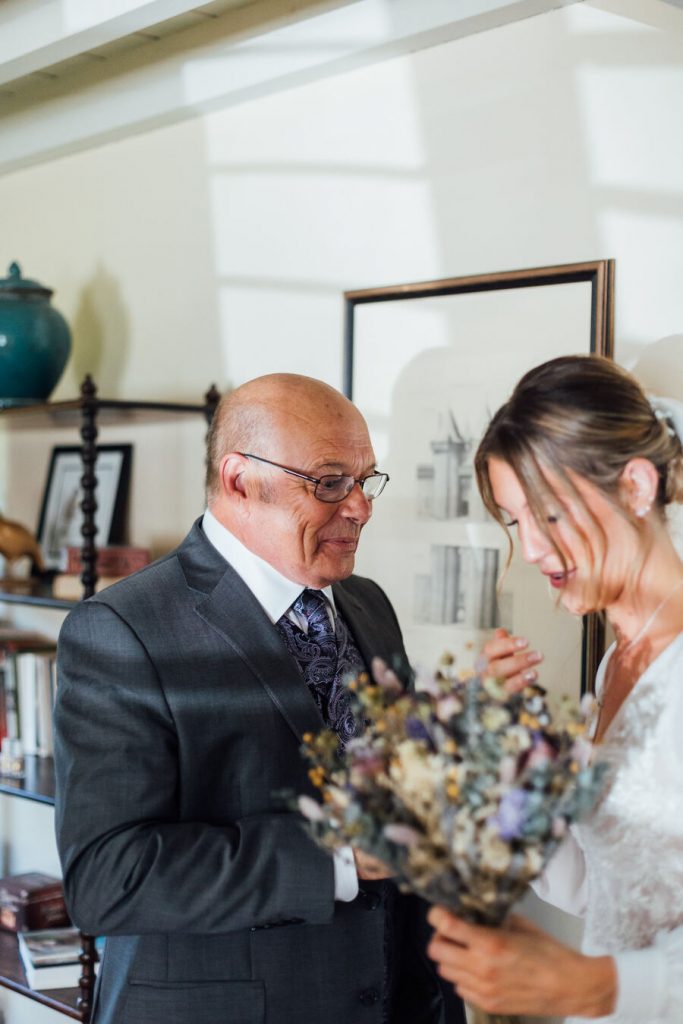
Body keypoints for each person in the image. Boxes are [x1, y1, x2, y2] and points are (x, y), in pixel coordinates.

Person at [53, 373, 463, 1024]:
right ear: (240, 478)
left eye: (366, 480)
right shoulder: (120, 629)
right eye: (330, 482)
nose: (360, 507)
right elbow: (110, 880)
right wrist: (339, 856)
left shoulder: (368, 605)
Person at [427, 354, 683, 1023]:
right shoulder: (616, 664)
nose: (533, 550)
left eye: (549, 516)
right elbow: (601, 889)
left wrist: (593, 988)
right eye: (515, 522)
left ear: (633, 486)